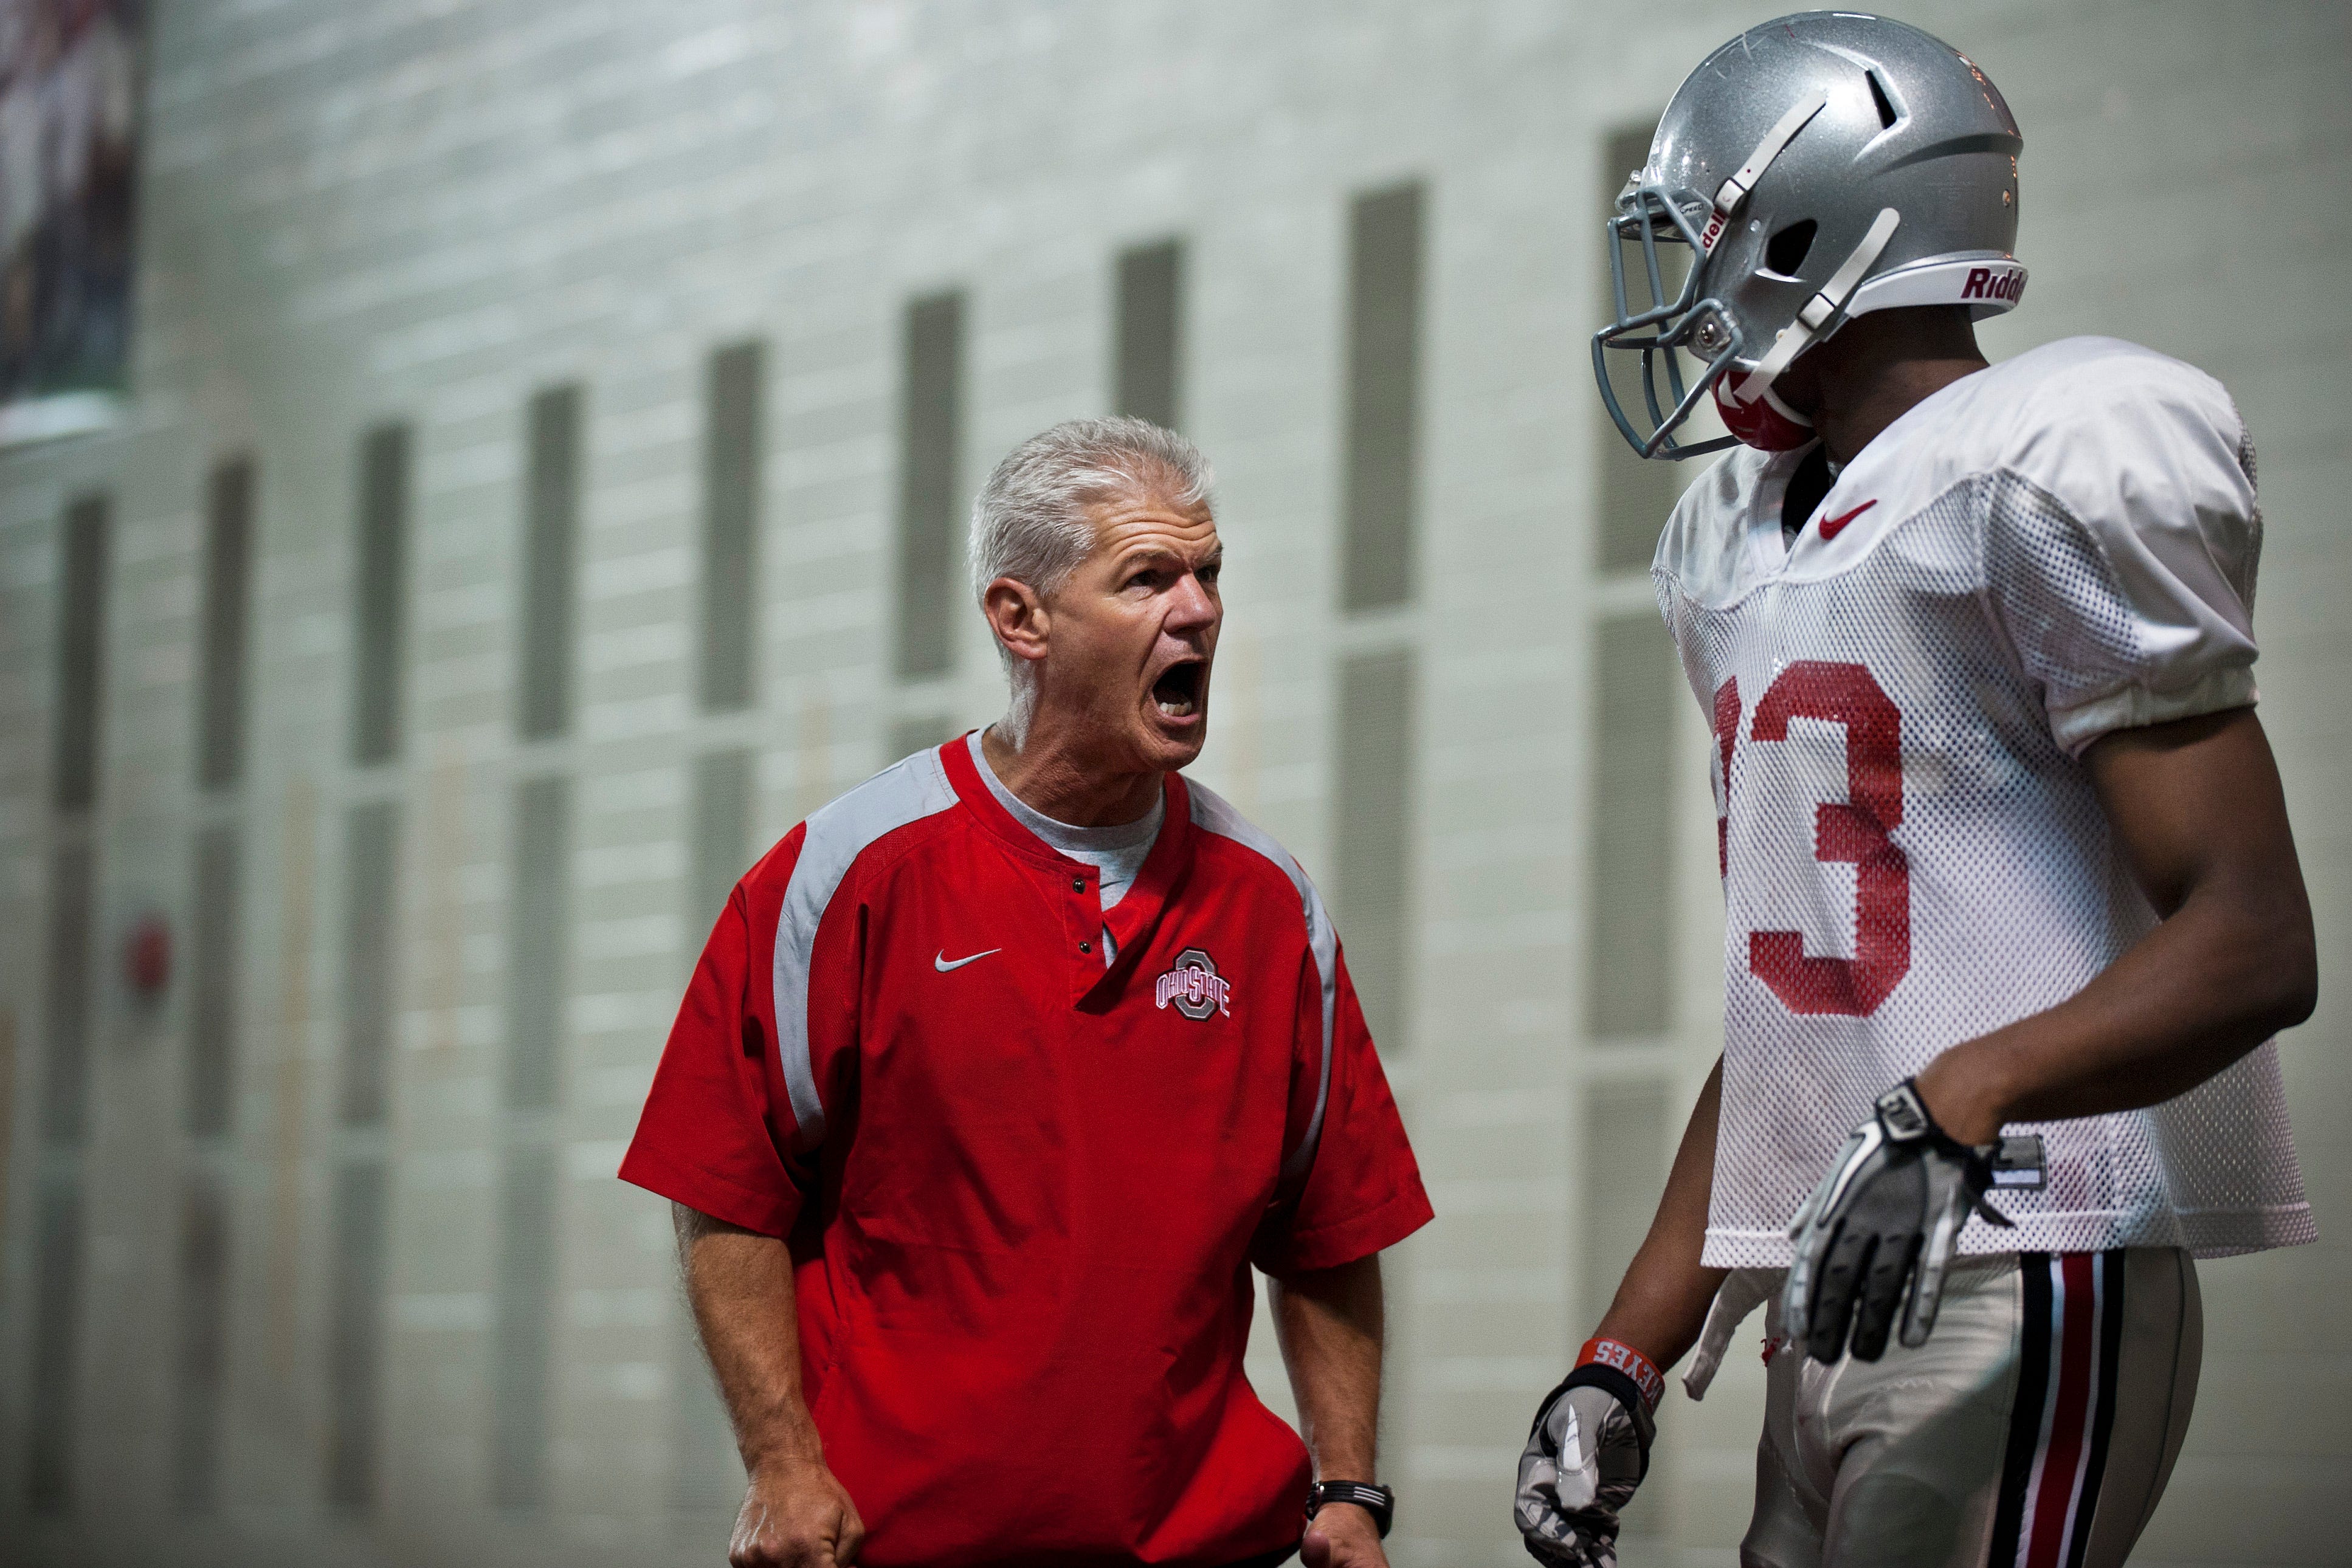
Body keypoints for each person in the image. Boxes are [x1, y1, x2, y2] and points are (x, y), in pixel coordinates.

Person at [1517, 14, 2317, 1568]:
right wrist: (1623, 1348)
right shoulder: (1739, 538)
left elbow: (2255, 940)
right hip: (1846, 1268)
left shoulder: (2052, 458)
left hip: (2025, 1243)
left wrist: (1961, 1099)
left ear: (1818, 229)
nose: (1684, 294)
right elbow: (1800, 1027)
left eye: (1712, 238)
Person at [623, 416, 1433, 1568]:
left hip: (1208, 1546)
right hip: (897, 1545)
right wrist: (781, 1462)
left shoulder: (1270, 906)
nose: (1198, 609)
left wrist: (1349, 1485)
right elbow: (724, 1191)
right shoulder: (844, 876)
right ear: (1021, 619)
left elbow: (1328, 1226)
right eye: (1148, 577)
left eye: (1207, 575)